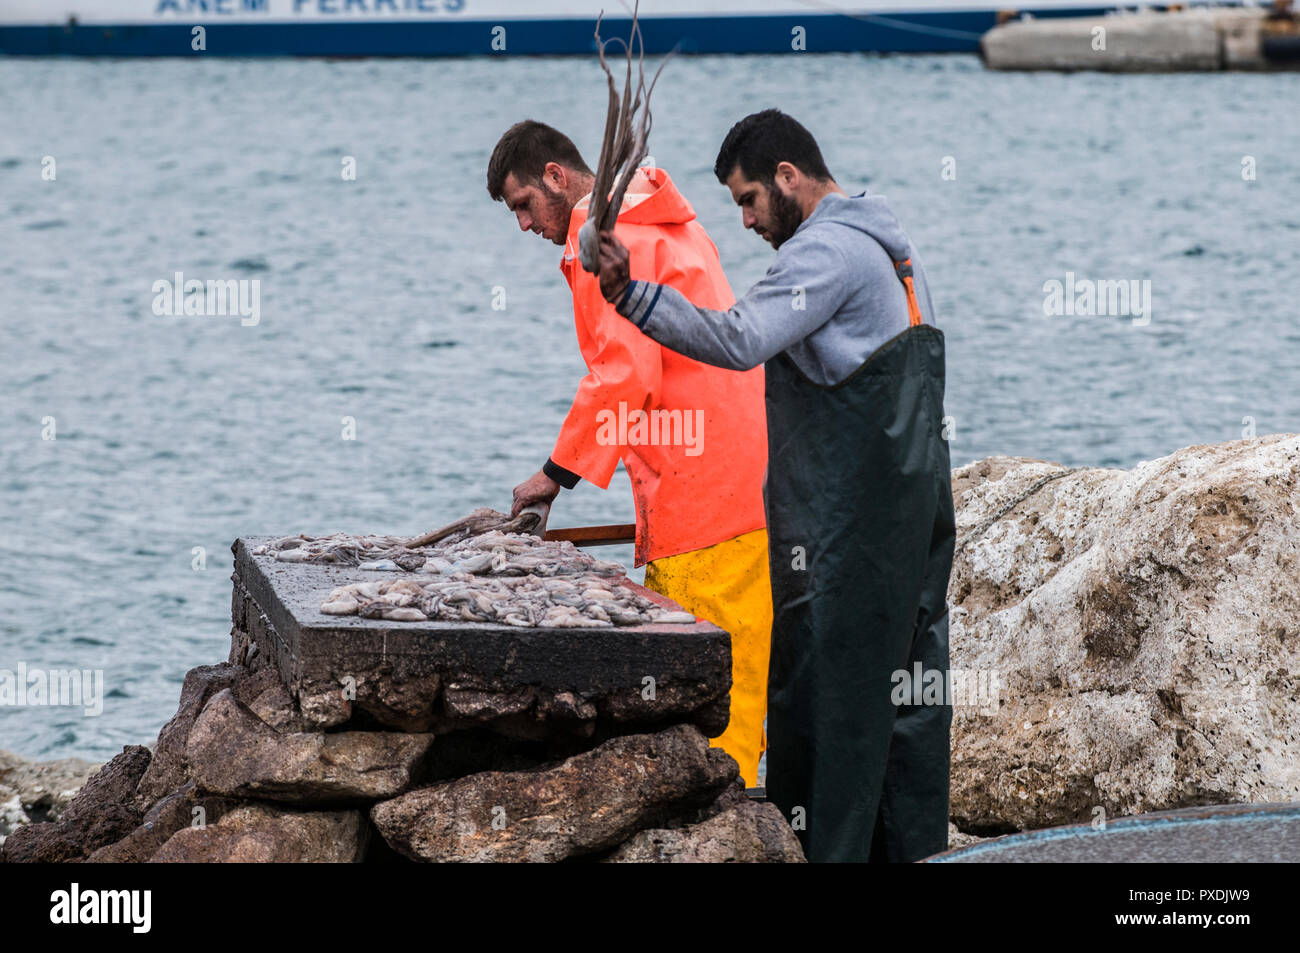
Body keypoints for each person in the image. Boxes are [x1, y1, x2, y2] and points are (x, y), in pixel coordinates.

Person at [593, 109, 955, 862]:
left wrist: (631, 295)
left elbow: (739, 338)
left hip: (851, 529)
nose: (750, 220)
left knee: (832, 705)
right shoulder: (888, 241)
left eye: (750, 199)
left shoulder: (822, 254)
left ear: (789, 177)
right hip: (913, 517)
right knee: (907, 703)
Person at [486, 120, 773, 786]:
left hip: (704, 499)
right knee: (743, 676)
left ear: (556, 176)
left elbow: (624, 375)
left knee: (709, 694)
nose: (524, 225)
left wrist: (554, 475)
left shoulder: (605, 242)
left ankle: (724, 838)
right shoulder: (664, 219)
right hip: (744, 476)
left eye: (523, 204)